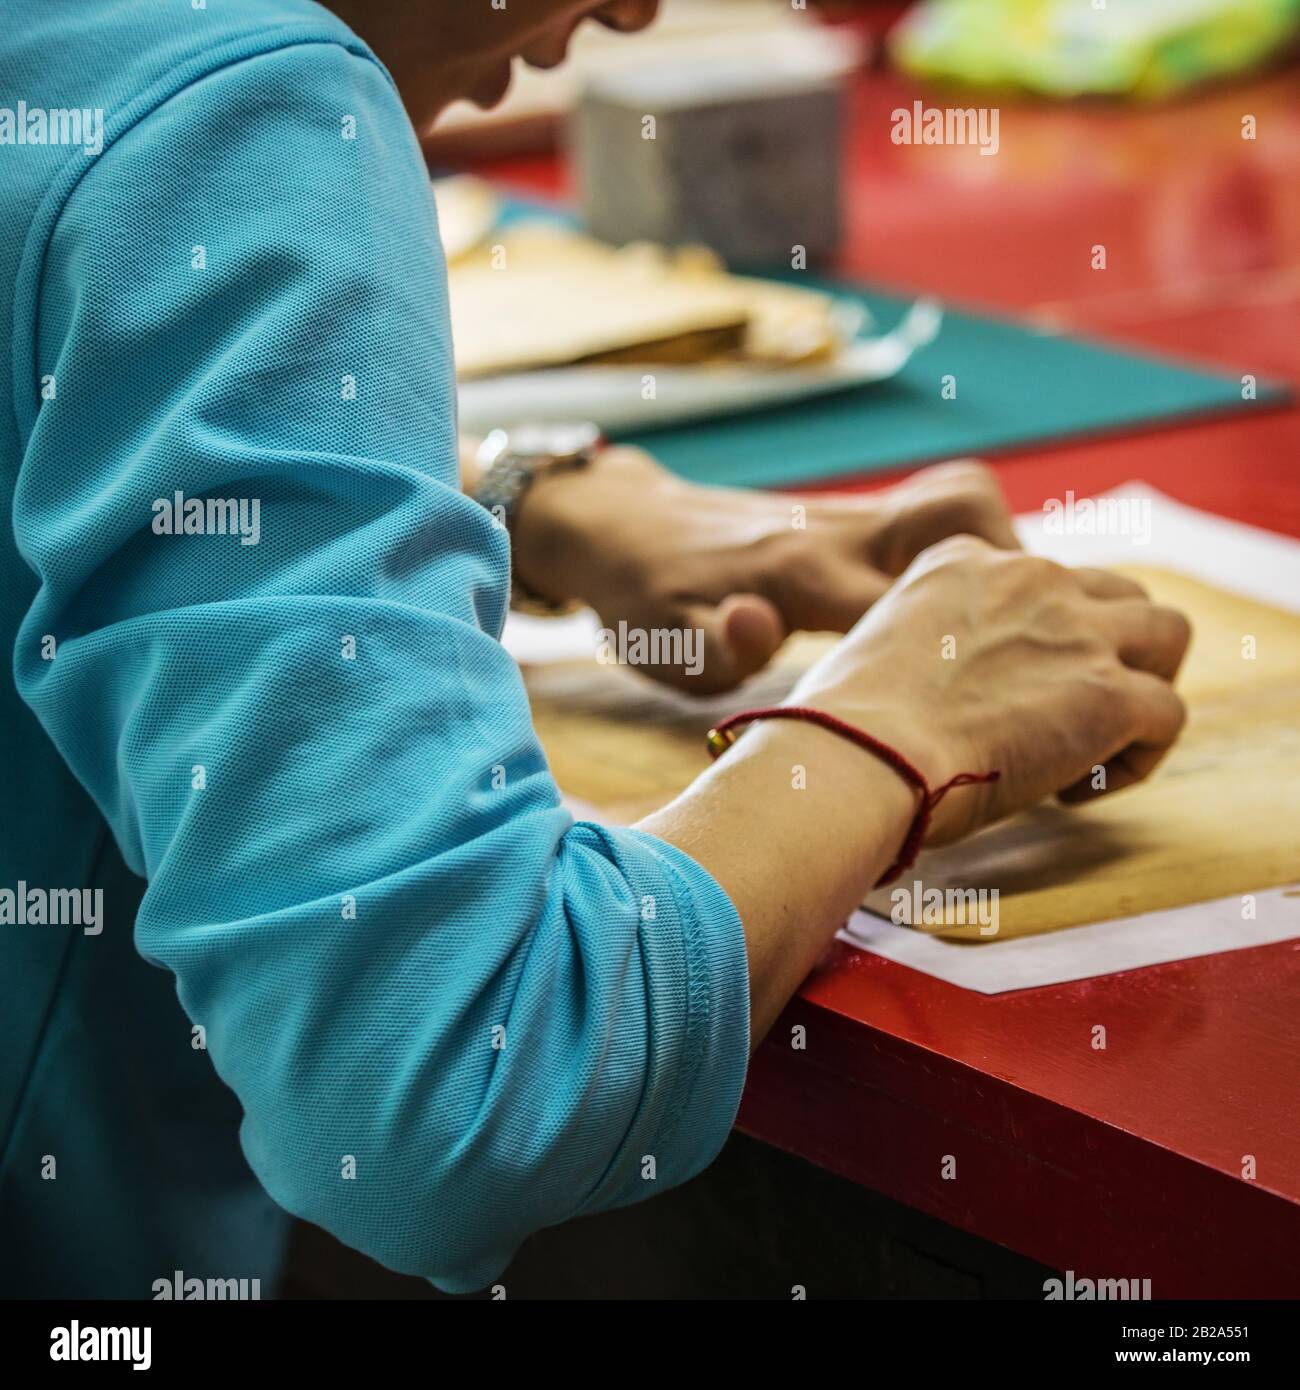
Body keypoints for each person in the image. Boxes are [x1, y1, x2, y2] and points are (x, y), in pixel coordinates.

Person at [0, 0, 1189, 1298]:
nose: (634, 10)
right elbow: (454, 1083)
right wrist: (900, 725)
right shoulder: (240, 108)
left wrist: (523, 500)